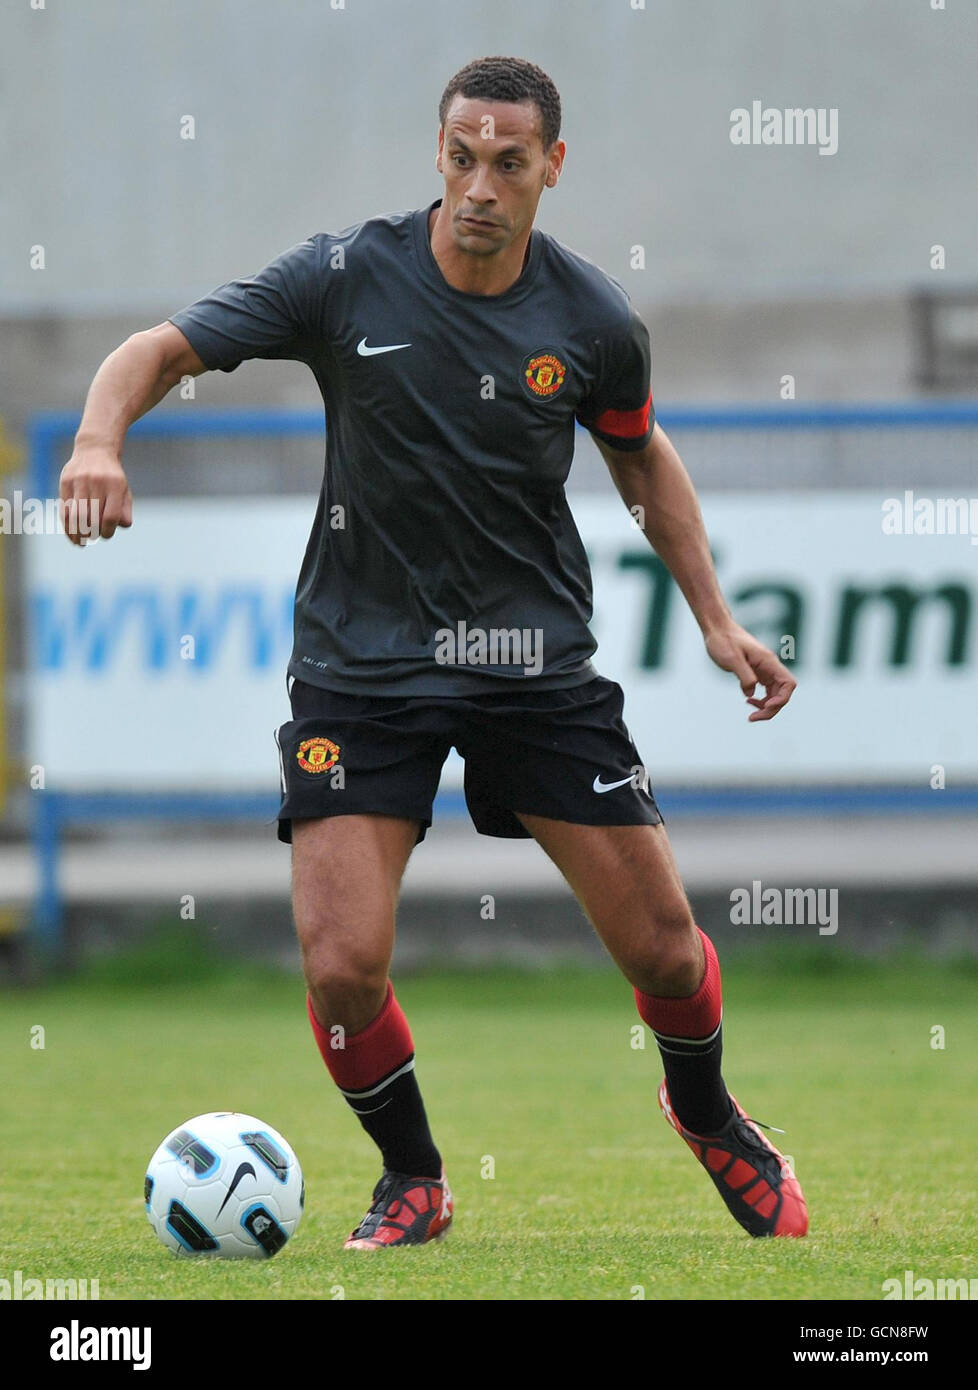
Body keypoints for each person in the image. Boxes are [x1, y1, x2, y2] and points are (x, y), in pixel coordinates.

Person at [60, 55, 808, 1248]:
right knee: (341, 965)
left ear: (552, 167)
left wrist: (717, 618)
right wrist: (100, 441)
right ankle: (413, 1176)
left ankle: (709, 1111)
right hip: (361, 669)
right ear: (440, 154)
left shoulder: (594, 320)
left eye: (509, 163)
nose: (480, 187)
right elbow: (154, 350)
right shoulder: (343, 276)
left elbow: (640, 453)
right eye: (462, 158)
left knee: (668, 953)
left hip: (534, 668)